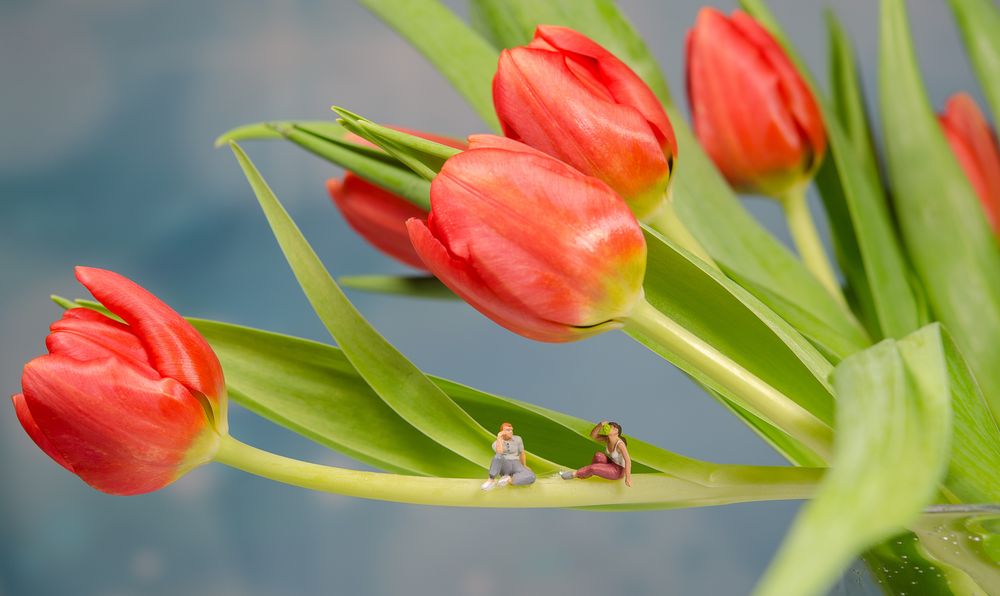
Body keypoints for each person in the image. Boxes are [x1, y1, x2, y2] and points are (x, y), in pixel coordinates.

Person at [559, 420, 632, 487]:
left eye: (611, 428)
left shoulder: (620, 444)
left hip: (618, 470)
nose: (608, 428)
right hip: (610, 462)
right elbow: (593, 436)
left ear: (616, 431)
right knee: (598, 455)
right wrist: (600, 425)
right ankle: (587, 473)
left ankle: (573, 474)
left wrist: (628, 478)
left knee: (593, 468)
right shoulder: (607, 439)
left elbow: (628, 461)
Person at [481, 422, 536, 490]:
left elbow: (522, 453)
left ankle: (509, 480)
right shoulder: (496, 443)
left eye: (511, 430)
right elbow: (499, 454)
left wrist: (524, 465)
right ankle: (491, 480)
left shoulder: (518, 439)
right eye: (508, 430)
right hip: (505, 464)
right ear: (502, 432)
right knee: (497, 456)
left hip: (516, 464)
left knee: (531, 476)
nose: (511, 432)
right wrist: (499, 438)